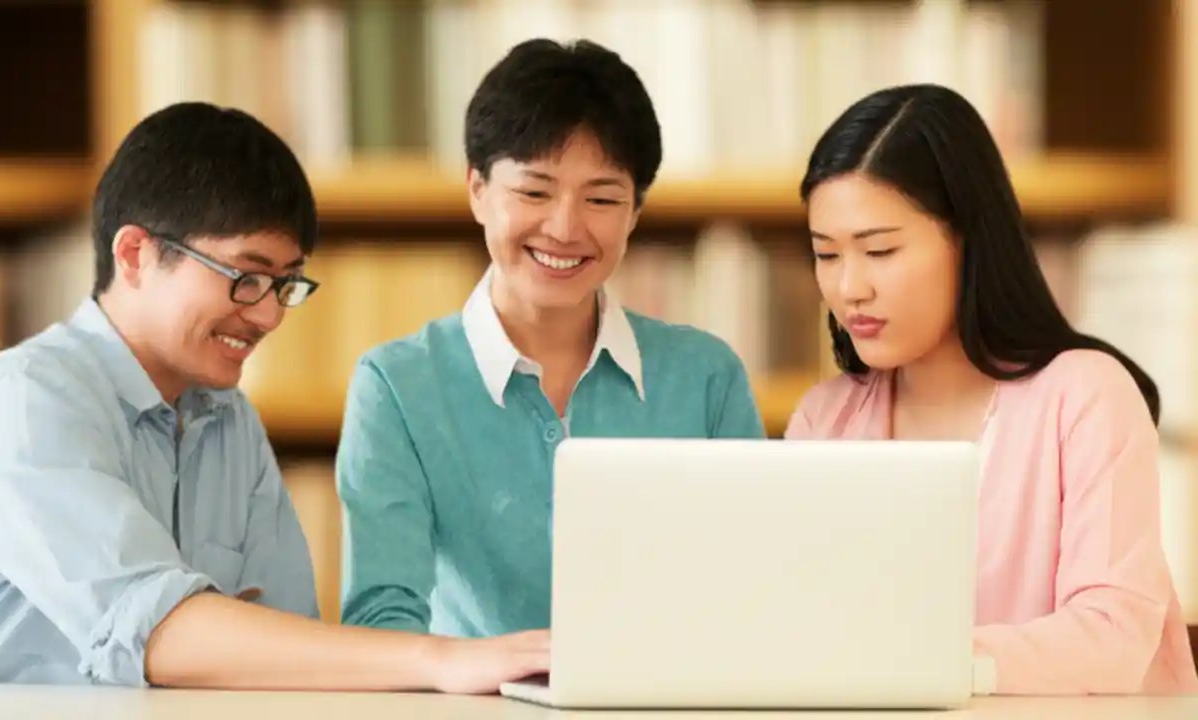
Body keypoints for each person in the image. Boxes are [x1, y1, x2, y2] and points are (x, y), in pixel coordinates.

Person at [0, 103, 547, 691]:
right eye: (245, 278)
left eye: (287, 285)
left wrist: (231, 637)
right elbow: (157, 634)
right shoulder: (23, 405)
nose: (269, 316)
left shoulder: (228, 420)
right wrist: (444, 657)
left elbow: (281, 646)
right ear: (135, 254)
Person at [337, 39, 765, 638]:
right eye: (534, 192)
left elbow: (750, 587)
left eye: (601, 198)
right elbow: (384, 618)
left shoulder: (706, 378)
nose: (565, 228)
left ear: (635, 211)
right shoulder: (397, 386)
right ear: (477, 190)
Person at [785, 83, 1198, 695]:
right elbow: (794, 626)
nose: (850, 288)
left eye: (880, 250)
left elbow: (1112, 638)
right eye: (826, 254)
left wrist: (912, 658)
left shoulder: (1085, 396)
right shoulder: (826, 420)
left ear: (968, 239)